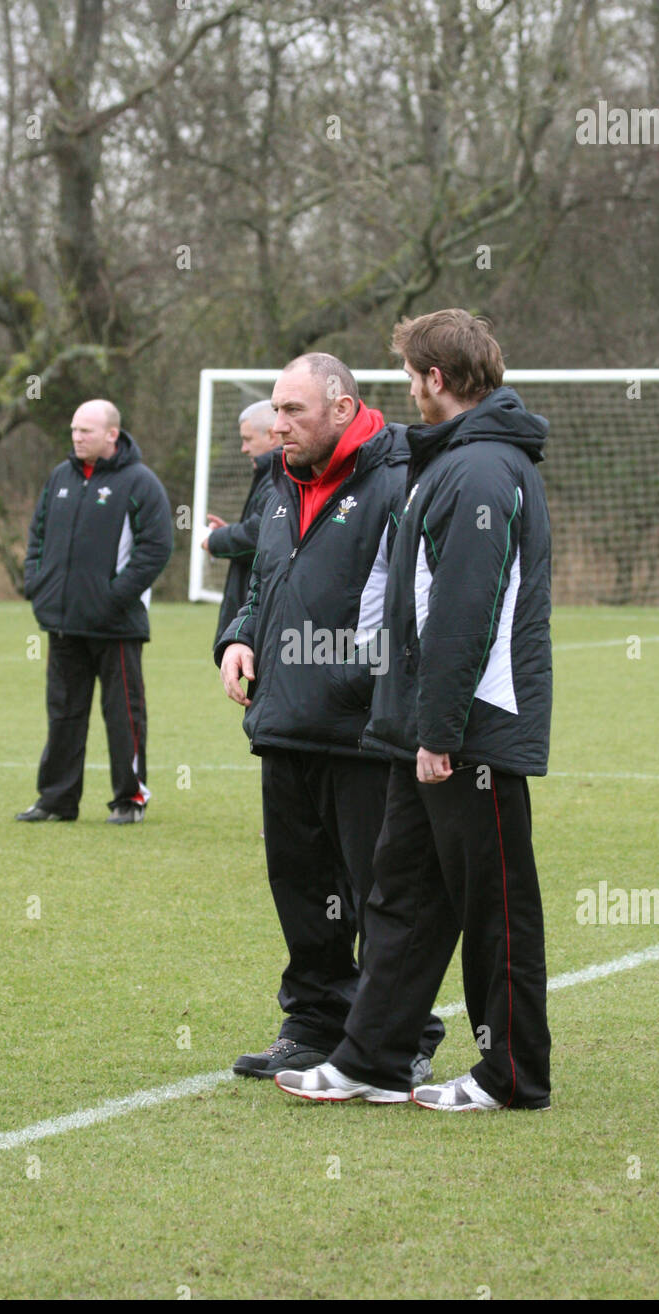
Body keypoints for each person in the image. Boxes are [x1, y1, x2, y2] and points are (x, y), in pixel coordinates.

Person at [275, 310, 553, 1110]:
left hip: (468, 735)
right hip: (420, 733)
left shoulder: (482, 471)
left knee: (495, 910)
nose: (405, 390)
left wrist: (439, 731)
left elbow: (465, 613)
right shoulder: (449, 463)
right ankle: (375, 1058)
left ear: (435, 379)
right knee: (401, 900)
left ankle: (512, 1075)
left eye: (408, 375)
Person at [216, 353, 444, 1082]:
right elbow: (262, 577)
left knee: (377, 888)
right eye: (275, 412)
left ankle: (399, 1033)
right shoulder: (278, 481)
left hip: (362, 728)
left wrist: (364, 683)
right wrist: (240, 635)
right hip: (283, 718)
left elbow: (416, 604)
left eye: (293, 412)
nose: (278, 426)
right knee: (300, 885)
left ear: (341, 409)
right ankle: (315, 1018)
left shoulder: (398, 478)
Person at [17, 399, 173, 824]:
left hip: (116, 624)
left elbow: (157, 547)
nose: (76, 437)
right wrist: (37, 583)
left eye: (85, 430)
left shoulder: (140, 483)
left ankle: (129, 798)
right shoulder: (60, 477)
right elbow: (38, 535)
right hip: (63, 621)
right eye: (73, 429)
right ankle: (56, 800)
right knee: (64, 712)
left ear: (111, 434)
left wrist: (113, 596)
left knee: (123, 714)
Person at [201, 400, 277, 643]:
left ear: (272, 435)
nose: (244, 448)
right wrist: (230, 532)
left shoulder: (280, 474)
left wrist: (215, 539)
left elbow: (259, 535)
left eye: (248, 439)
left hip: (263, 615)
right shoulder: (269, 472)